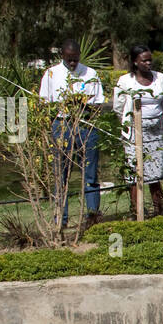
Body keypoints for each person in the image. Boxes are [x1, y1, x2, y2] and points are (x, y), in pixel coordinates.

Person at [38, 38, 105, 228]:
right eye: (69, 60)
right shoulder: (51, 74)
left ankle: (92, 216)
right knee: (62, 175)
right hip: (62, 125)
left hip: (86, 126)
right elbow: (45, 103)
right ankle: (62, 219)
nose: (73, 63)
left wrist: (82, 105)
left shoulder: (90, 73)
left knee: (90, 174)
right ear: (62, 56)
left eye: (76, 59)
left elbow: (98, 102)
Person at [114, 44, 163, 213]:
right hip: (135, 134)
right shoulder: (125, 81)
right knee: (135, 171)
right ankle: (137, 211)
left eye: (150, 60)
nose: (148, 63)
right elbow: (118, 106)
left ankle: (160, 209)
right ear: (135, 62)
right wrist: (130, 123)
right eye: (144, 60)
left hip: (156, 132)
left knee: (156, 171)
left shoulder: (161, 78)